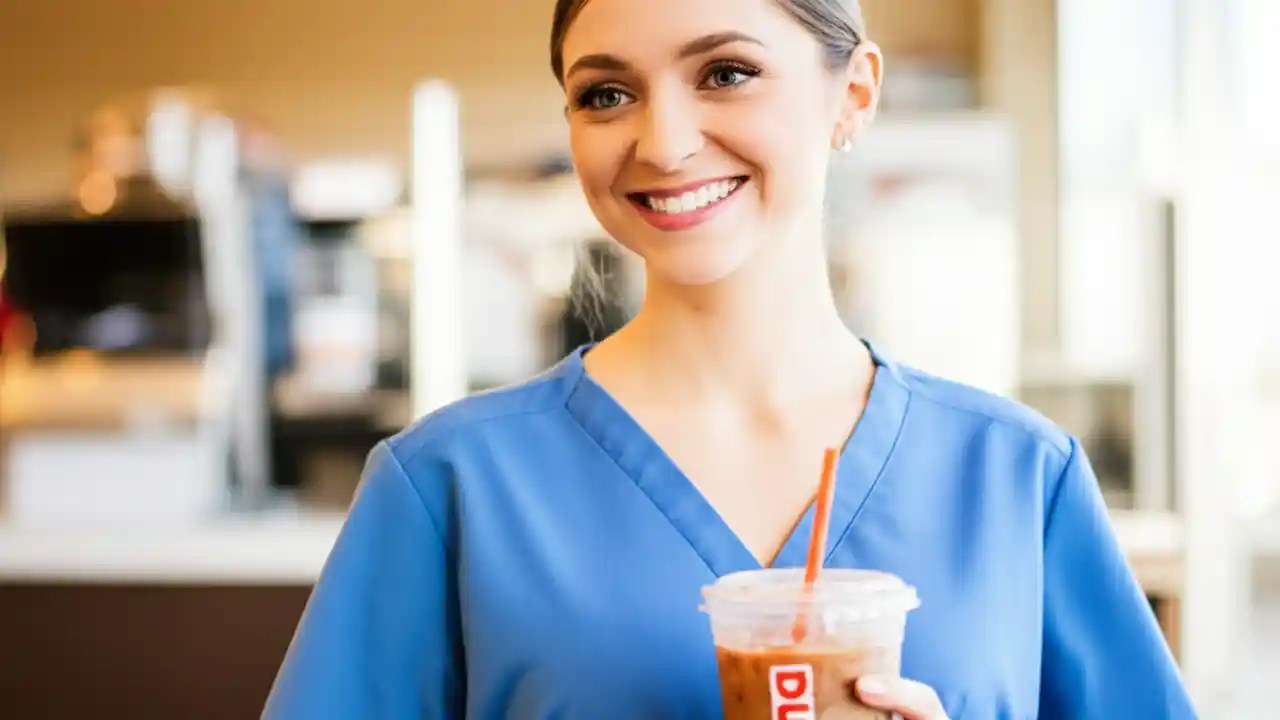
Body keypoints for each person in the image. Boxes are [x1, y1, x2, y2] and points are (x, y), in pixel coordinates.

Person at [265, 0, 1196, 717]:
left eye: (726, 72)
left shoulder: (1014, 479)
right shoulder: (449, 487)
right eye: (607, 93)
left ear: (853, 94)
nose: (664, 142)